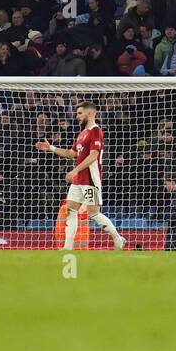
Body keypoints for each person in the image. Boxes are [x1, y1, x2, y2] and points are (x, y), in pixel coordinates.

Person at [35, 100, 126, 250]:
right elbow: (72, 153)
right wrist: (51, 148)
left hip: (90, 180)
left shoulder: (96, 131)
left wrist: (75, 170)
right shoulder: (82, 134)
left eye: (79, 113)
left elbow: (93, 156)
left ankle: (118, 238)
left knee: (94, 214)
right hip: (78, 181)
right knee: (71, 211)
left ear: (89, 113)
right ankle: (67, 248)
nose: (77, 116)